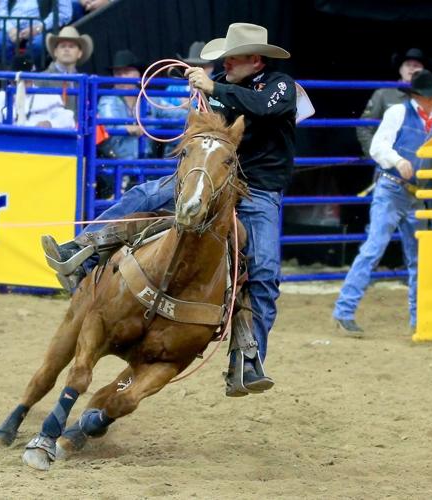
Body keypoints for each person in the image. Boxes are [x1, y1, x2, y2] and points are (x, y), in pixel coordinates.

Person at [42, 23, 297, 396]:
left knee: (264, 271)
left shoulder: (279, 86)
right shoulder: (220, 89)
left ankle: (246, 357)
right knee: (145, 196)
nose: (225, 64)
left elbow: (262, 108)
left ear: (255, 60)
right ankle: (81, 250)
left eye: (232, 58)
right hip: (213, 178)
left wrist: (214, 88)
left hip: (258, 189)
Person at [333, 69, 432, 336]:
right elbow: (378, 147)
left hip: (415, 195)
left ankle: (418, 319)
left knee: (417, 258)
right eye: (430, 97)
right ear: (418, 96)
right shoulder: (398, 113)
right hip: (391, 189)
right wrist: (398, 160)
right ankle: (344, 310)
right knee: (374, 249)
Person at [357, 48, 432, 158]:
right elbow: (364, 127)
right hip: (389, 162)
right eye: (408, 64)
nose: (412, 68)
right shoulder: (383, 94)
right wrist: (377, 156)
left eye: (416, 65)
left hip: (421, 162)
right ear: (400, 70)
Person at [0, 54, 75, 128]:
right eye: (18, 78)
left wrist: (51, 123)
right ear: (11, 78)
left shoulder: (48, 97)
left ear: (33, 77)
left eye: (26, 78)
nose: (22, 82)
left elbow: (68, 120)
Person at [0, 0, 72, 69]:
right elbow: (0, 11)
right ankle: (13, 76)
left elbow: (64, 13)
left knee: (37, 46)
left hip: (42, 27)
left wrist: (39, 27)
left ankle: (29, 75)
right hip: (11, 25)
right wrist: (10, 28)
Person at [38, 25, 93, 113]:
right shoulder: (40, 79)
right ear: (55, 52)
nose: (67, 49)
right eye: (63, 46)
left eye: (71, 46)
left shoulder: (83, 82)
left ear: (79, 53)